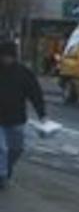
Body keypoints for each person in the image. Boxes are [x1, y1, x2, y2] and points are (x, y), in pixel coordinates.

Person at [0, 40, 47, 190]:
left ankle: (6, 169)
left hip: (16, 118)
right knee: (1, 148)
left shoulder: (24, 73)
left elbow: (35, 94)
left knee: (17, 148)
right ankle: (2, 175)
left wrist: (42, 114)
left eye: (10, 56)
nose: (7, 59)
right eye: (4, 56)